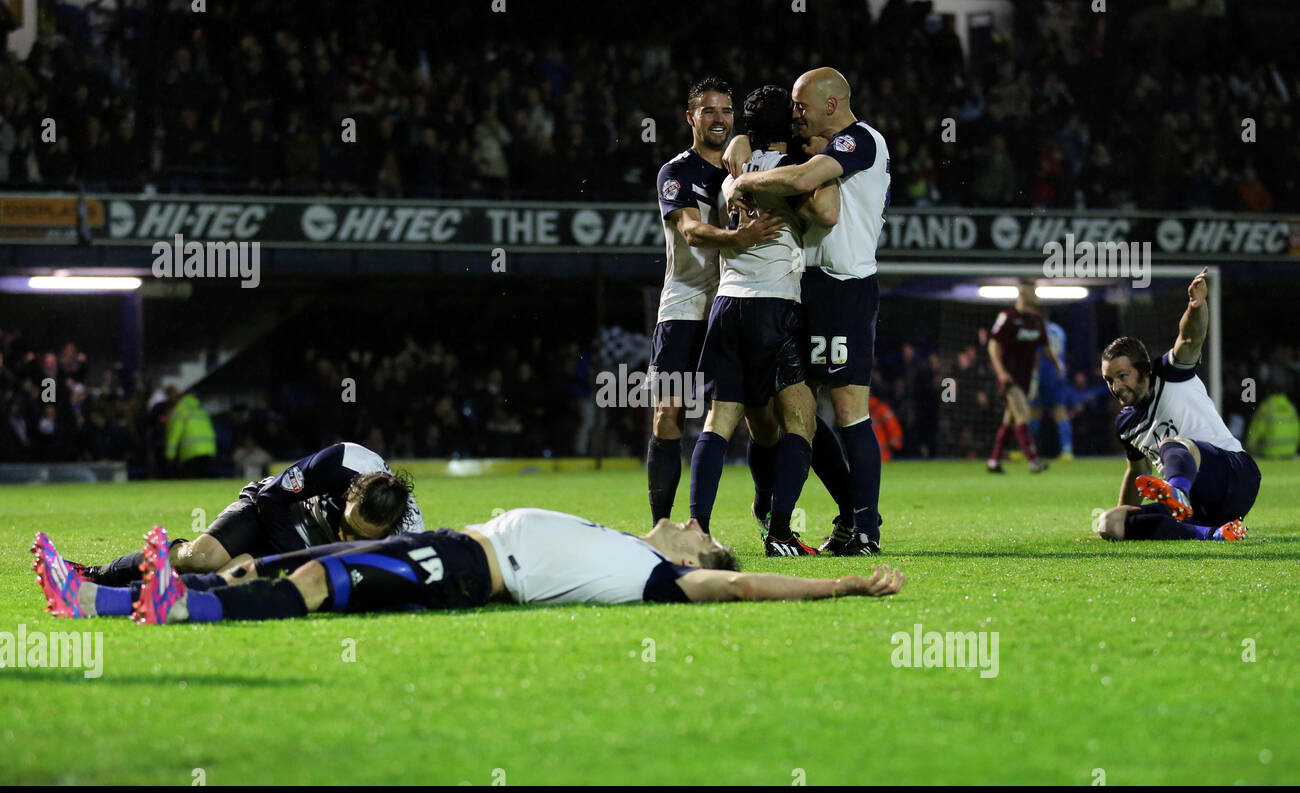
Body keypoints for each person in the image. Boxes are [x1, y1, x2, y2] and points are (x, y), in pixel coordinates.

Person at [32, 512, 907, 624]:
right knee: (273, 559)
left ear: (694, 558)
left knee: (311, 586)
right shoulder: (630, 542)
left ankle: (139, 612)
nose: (680, 521)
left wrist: (842, 582)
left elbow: (747, 582)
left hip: (464, 566)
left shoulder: (658, 577)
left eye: (689, 530)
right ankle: (103, 589)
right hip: (451, 541)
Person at [725, 67, 890, 555]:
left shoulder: (859, 142)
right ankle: (847, 514)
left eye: (802, 105)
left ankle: (865, 529)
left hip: (845, 288)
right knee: (797, 411)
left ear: (832, 104)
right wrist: (741, 140)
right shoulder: (821, 146)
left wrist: (744, 183)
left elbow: (806, 187)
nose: (795, 114)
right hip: (804, 288)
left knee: (847, 410)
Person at [687, 85, 839, 556]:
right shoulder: (790, 175)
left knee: (720, 422)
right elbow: (827, 214)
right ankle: (779, 533)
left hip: (726, 304)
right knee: (801, 422)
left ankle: (697, 529)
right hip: (774, 305)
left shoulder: (731, 174)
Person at [646, 76, 785, 525]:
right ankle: (664, 527)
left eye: (727, 111)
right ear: (691, 118)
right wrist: (737, 238)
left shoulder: (746, 166)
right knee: (669, 411)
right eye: (709, 111)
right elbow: (689, 230)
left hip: (736, 302)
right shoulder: (677, 171)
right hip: (686, 303)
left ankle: (764, 505)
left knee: (760, 415)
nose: (720, 119)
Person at [72, 441, 424, 584]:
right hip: (275, 509)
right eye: (350, 525)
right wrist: (298, 559)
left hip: (312, 546)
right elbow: (272, 497)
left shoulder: (410, 531)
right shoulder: (341, 462)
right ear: (349, 494)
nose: (350, 537)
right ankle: (95, 574)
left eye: (364, 536)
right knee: (202, 557)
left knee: (227, 579)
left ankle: (130, 599)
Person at [1095, 268, 1260, 542]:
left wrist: (1196, 306)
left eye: (1122, 376)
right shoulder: (1125, 423)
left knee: (1174, 444)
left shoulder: (1169, 373)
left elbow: (1190, 338)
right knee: (1109, 523)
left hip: (1235, 475)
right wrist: (1130, 513)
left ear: (1144, 371)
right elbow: (1137, 472)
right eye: (1109, 380)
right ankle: (1213, 533)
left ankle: (1177, 491)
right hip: (1198, 505)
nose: (1116, 387)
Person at [987, 284, 1062, 473]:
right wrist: (1001, 372)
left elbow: (1045, 347)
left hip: (1027, 378)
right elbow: (992, 346)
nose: (1036, 294)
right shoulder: (1008, 317)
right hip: (1009, 378)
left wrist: (1057, 364)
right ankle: (1033, 460)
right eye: (1032, 290)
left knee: (1010, 419)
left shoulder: (1036, 319)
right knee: (1022, 414)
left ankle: (994, 461)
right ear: (1022, 292)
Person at [1028, 315, 1074, 459]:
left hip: (1043, 373)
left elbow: (1036, 354)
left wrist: (1033, 377)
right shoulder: (1059, 330)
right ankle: (1067, 451)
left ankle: (1028, 450)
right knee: (1060, 411)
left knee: (1034, 412)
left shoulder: (1036, 330)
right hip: (1058, 374)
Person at [164, 387, 216, 477]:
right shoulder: (201, 411)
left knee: (192, 483)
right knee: (205, 483)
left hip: (191, 452)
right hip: (208, 450)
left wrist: (169, 456)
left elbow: (174, 434)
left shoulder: (180, 411)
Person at [1246, 382, 1299, 459]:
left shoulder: (1266, 407)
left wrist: (1248, 448)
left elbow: (1255, 432)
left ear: (1268, 392)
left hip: (1270, 453)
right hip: (1290, 451)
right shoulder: (1291, 406)